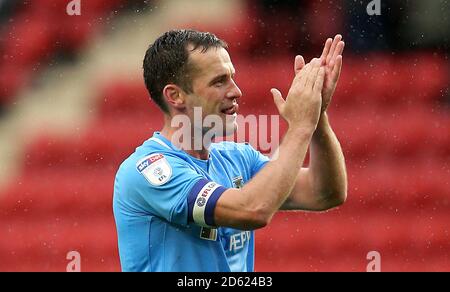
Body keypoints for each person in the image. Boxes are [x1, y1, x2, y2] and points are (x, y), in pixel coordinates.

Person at [113, 29, 347, 272]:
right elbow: (253, 209)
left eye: (232, 77)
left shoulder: (238, 158)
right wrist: (300, 127)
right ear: (176, 96)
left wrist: (317, 116)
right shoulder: (148, 171)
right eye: (219, 81)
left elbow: (324, 193)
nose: (236, 91)